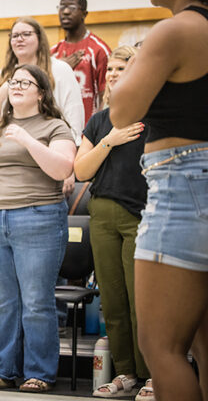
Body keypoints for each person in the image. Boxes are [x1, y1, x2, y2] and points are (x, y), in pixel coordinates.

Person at [110, 0, 208, 401]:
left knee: (160, 346)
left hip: (182, 185)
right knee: (203, 346)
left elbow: (122, 110)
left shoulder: (174, 31)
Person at [0, 64, 76, 393]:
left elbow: (62, 168)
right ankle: (4, 368)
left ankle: (39, 372)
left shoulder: (55, 126)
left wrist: (27, 139)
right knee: (4, 301)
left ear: (41, 93)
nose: (16, 86)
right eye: (13, 82)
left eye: (25, 82)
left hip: (38, 217)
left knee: (37, 301)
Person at [73, 46, 149, 397]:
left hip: (141, 215)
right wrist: (109, 140)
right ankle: (127, 373)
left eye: (123, 67)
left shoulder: (152, 116)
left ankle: (153, 375)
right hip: (101, 214)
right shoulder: (100, 120)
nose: (115, 74)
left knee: (141, 301)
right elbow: (80, 170)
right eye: (112, 69)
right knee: (113, 301)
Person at [0, 16, 83, 198]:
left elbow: (74, 118)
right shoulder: (2, 75)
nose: (20, 39)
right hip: (9, 159)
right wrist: (7, 84)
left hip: (50, 157)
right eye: (15, 35)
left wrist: (70, 167)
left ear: (40, 39)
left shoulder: (60, 69)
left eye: (26, 34)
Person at [52, 0, 111, 125]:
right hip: (59, 130)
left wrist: (99, 128)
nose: (65, 11)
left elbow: (106, 95)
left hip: (88, 129)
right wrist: (60, 69)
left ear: (84, 14)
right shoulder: (53, 53)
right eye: (61, 7)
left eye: (72, 7)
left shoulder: (99, 50)